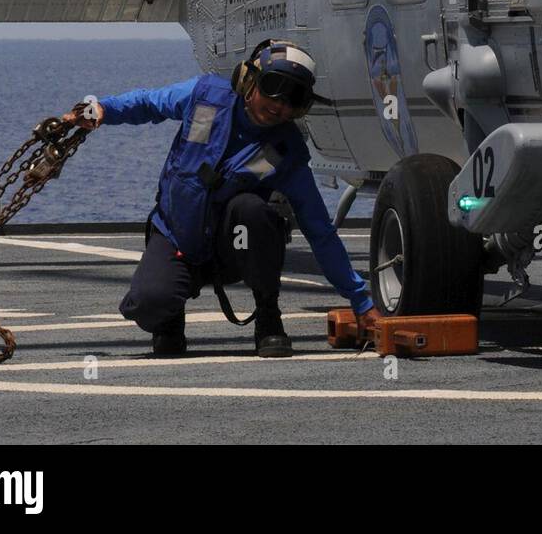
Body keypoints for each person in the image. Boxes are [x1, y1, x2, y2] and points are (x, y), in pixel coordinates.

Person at [64, 39, 380, 357]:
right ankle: (170, 317)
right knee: (148, 306)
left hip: (234, 249)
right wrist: (100, 110)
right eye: (273, 87)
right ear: (248, 80)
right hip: (179, 238)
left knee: (253, 210)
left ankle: (268, 317)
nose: (279, 104)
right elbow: (149, 103)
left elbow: (319, 231)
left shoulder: (285, 151)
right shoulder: (204, 97)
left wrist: (360, 300)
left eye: (293, 96)